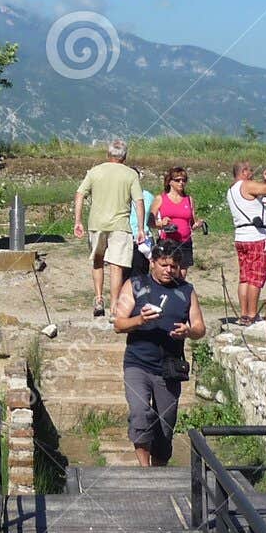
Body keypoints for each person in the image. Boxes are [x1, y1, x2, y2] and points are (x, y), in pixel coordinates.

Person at [114, 237, 206, 467]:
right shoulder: (135, 284)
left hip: (169, 366)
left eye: (173, 266)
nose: (168, 270)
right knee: (140, 413)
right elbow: (118, 324)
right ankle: (144, 470)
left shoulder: (186, 291)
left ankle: (159, 469)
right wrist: (140, 319)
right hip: (138, 363)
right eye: (163, 265)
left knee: (165, 424)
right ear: (152, 262)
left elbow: (200, 327)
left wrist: (188, 331)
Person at [73, 139, 145, 319]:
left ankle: (98, 299)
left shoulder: (95, 171)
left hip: (97, 223)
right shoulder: (130, 174)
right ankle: (114, 307)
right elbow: (139, 201)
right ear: (125, 156)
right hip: (120, 225)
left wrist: (78, 220)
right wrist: (141, 228)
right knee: (116, 266)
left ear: (108, 154)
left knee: (97, 261)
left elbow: (80, 193)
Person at [227, 161, 266, 325]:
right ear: (243, 172)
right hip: (255, 237)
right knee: (255, 278)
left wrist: (262, 182)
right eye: (249, 170)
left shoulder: (232, 189)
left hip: (241, 237)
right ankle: (252, 314)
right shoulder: (246, 185)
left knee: (245, 278)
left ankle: (244, 314)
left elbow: (255, 196)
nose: (252, 173)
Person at [151, 165, 201, 270]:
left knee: (182, 274)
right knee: (168, 271)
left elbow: (192, 222)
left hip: (185, 242)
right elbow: (150, 222)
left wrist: (197, 224)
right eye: (177, 180)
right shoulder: (160, 199)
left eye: (184, 180)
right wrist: (161, 223)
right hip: (167, 241)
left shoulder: (189, 199)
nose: (181, 183)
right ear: (170, 182)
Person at [129, 182, 157, 278]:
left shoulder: (148, 196)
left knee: (140, 270)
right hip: (125, 236)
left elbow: (154, 217)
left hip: (143, 239)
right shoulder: (120, 195)